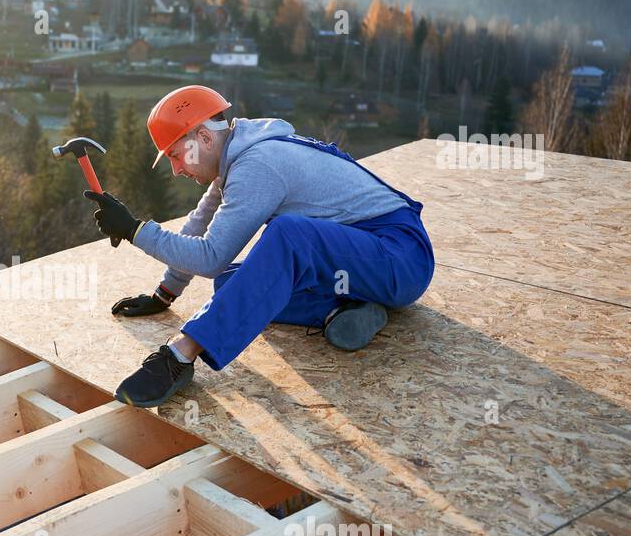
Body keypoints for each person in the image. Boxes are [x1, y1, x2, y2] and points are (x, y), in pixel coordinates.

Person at [84, 85, 435, 407]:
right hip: (360, 259)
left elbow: (210, 257)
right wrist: (164, 294)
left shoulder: (258, 164)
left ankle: (180, 356)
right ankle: (341, 309)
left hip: (400, 258)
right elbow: (198, 224)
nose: (175, 170)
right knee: (231, 285)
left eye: (176, 155)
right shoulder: (236, 157)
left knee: (288, 234)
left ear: (204, 137)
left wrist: (134, 230)